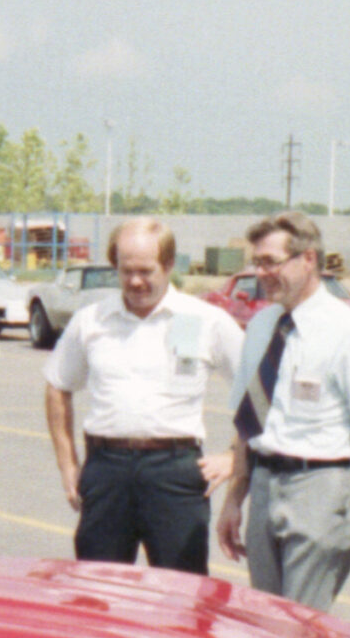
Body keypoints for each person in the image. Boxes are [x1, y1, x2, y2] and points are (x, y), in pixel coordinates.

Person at [215, 211, 350, 610]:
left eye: (270, 262)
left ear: (308, 259)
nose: (261, 273)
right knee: (267, 619)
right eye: (256, 263)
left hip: (321, 488)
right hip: (265, 484)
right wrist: (234, 499)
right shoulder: (262, 325)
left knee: (300, 628)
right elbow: (249, 418)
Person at [44, 218, 240, 573]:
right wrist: (67, 465)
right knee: (97, 591)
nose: (136, 281)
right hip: (106, 470)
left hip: (175, 472)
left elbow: (256, 391)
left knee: (181, 595)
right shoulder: (92, 322)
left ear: (168, 265)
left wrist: (233, 455)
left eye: (146, 271)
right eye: (126, 271)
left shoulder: (205, 320)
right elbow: (58, 386)